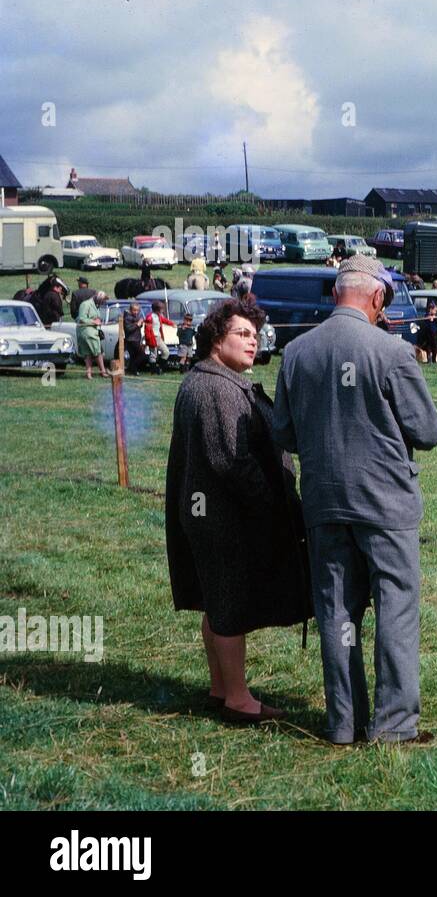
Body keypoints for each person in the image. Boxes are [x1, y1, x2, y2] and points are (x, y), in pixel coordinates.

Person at [271, 257, 437, 745]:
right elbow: (428, 432)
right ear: (378, 298)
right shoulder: (392, 351)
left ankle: (343, 723)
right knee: (396, 608)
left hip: (323, 501)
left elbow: (282, 431)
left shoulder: (297, 351)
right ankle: (393, 725)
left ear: (335, 295)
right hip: (386, 503)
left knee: (337, 613)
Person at [165, 296, 313, 723]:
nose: (253, 343)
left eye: (255, 335)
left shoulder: (209, 379)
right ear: (216, 338)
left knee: (218, 601)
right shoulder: (215, 388)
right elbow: (232, 460)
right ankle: (238, 699)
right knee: (229, 604)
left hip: (209, 515)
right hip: (223, 520)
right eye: (242, 334)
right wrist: (273, 508)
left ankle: (220, 687)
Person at [76, 290, 110, 379]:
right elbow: (82, 318)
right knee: (98, 352)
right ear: (98, 299)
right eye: (102, 301)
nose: (102, 303)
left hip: (92, 331)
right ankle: (102, 371)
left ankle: (88, 374)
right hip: (86, 331)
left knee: (88, 354)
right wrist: (94, 322)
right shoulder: (85, 304)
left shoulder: (96, 305)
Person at [123, 301, 149, 375]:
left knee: (134, 356)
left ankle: (133, 370)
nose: (136, 312)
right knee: (142, 354)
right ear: (131, 310)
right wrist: (137, 324)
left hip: (136, 338)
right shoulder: (127, 317)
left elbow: (138, 327)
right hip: (131, 339)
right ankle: (132, 367)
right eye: (134, 310)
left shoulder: (136, 317)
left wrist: (140, 324)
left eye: (137, 310)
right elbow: (128, 329)